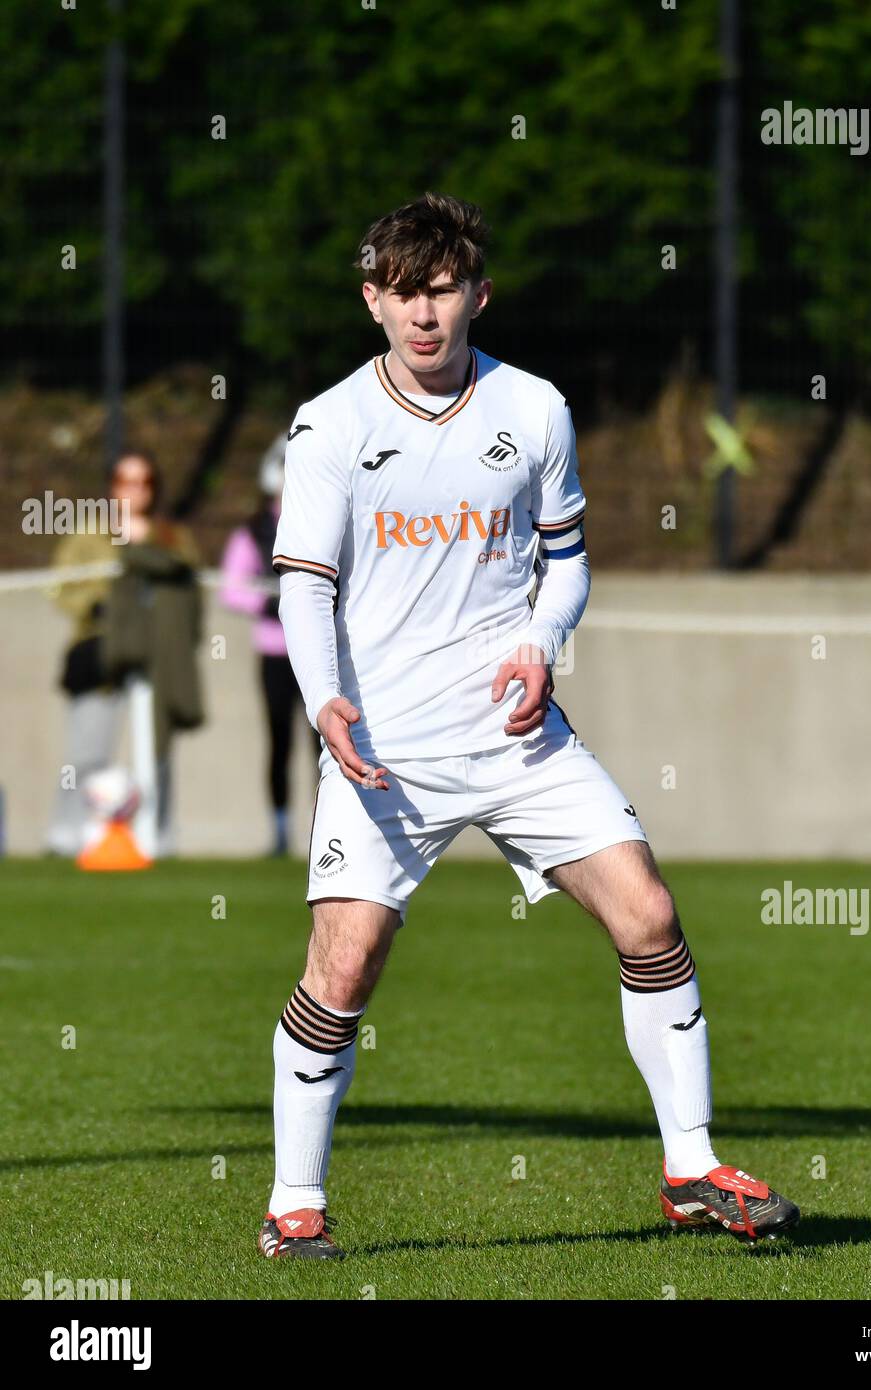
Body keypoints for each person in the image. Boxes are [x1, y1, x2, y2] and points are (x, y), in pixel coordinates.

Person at [258, 192, 799, 1260]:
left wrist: (540, 644)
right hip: (385, 751)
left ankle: (689, 1165)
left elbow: (567, 560)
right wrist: (324, 700)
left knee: (647, 911)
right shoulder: (331, 425)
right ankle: (292, 1202)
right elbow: (304, 588)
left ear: (478, 293)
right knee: (346, 961)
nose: (424, 314)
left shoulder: (535, 409)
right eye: (402, 293)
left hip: (517, 738)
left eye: (443, 290)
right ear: (371, 300)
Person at [47, 449, 201, 857]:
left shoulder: (172, 537)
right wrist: (102, 605)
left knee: (156, 751)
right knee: (88, 749)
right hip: (100, 650)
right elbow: (62, 589)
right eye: (124, 481)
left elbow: (190, 593)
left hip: (158, 654)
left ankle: (159, 838)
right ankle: (70, 836)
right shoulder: (89, 533)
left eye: (142, 482)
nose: (133, 491)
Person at [220, 439, 313, 856]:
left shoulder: (320, 519)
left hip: (317, 650)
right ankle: (279, 829)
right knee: (279, 742)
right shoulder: (254, 529)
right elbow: (231, 588)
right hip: (275, 651)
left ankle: (327, 832)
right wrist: (268, 600)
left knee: (325, 744)